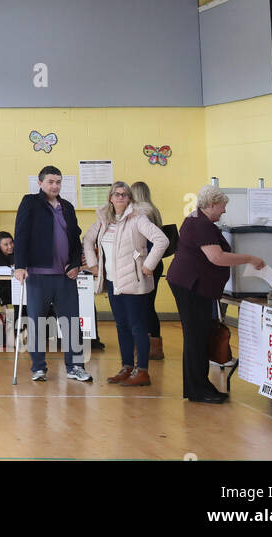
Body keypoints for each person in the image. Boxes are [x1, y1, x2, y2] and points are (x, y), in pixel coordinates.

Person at [166, 185, 267, 404]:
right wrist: (250, 258)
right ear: (211, 204)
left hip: (189, 284)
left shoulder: (194, 218)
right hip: (192, 287)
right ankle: (197, 389)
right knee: (196, 337)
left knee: (197, 337)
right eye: (222, 207)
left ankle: (198, 386)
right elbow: (217, 257)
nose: (224, 211)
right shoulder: (202, 224)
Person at [82, 182, 168, 386]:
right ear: (110, 198)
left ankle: (143, 371)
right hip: (113, 282)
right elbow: (87, 240)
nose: (120, 197)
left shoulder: (138, 218)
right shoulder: (104, 221)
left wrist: (149, 265)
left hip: (134, 281)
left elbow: (161, 240)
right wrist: (93, 265)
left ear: (130, 198)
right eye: (116, 194)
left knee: (137, 326)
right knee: (121, 326)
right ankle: (127, 367)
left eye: (124, 194)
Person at [14, 165, 92, 382]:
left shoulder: (67, 207)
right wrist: (19, 265)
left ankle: (75, 366)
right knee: (37, 323)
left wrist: (76, 264)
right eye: (50, 182)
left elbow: (75, 239)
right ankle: (38, 368)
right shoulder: (30, 202)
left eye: (58, 182)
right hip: (38, 274)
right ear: (40, 183)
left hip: (65, 276)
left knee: (71, 323)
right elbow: (20, 235)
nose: (55, 185)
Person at [131, 181, 169, 360]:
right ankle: (155, 345)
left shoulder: (139, 212)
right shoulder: (154, 210)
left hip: (144, 263)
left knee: (140, 305)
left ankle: (143, 346)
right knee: (149, 304)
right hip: (156, 262)